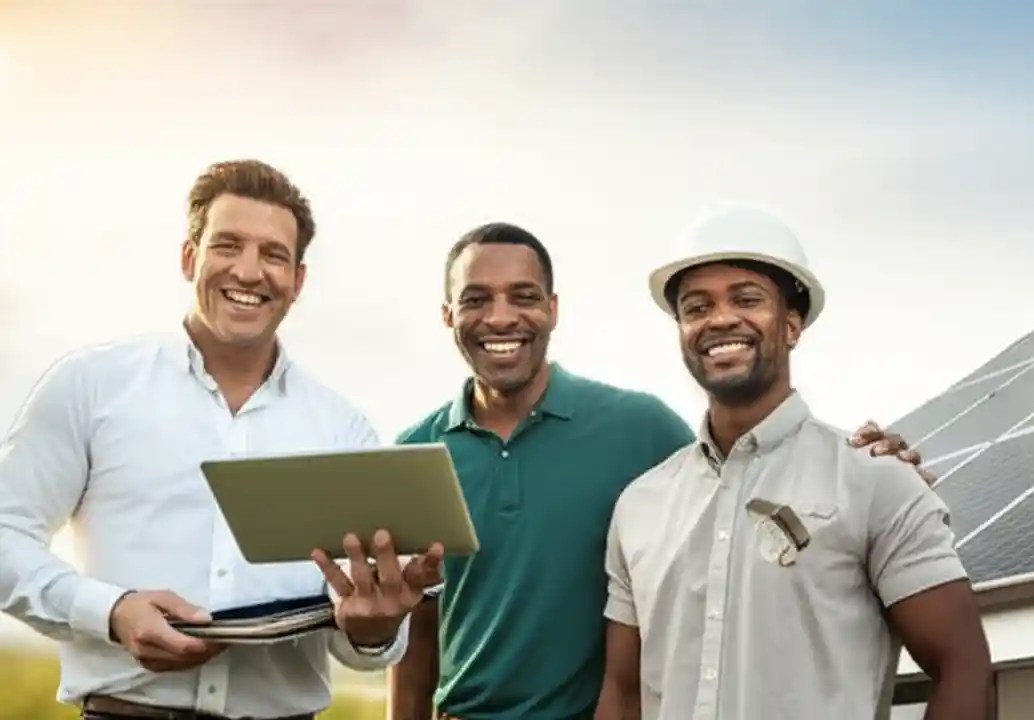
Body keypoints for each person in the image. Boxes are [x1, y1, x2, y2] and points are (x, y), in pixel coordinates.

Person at [388, 223, 932, 720]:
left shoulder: (637, 428)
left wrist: (876, 466)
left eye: (524, 297)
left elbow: (743, 467)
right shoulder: (413, 454)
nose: (501, 317)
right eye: (476, 299)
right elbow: (416, 640)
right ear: (447, 315)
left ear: (553, 309)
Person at [0, 159, 440, 720]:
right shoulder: (91, 386)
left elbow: (361, 646)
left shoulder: (342, 430)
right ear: (190, 258)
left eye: (274, 254)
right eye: (227, 245)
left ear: (298, 281)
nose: (250, 272)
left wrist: (376, 629)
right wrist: (110, 610)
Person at [594, 204, 993, 720]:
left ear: (792, 324)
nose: (719, 320)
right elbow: (623, 694)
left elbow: (964, 667)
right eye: (696, 308)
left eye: (747, 299)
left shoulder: (876, 481)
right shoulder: (639, 506)